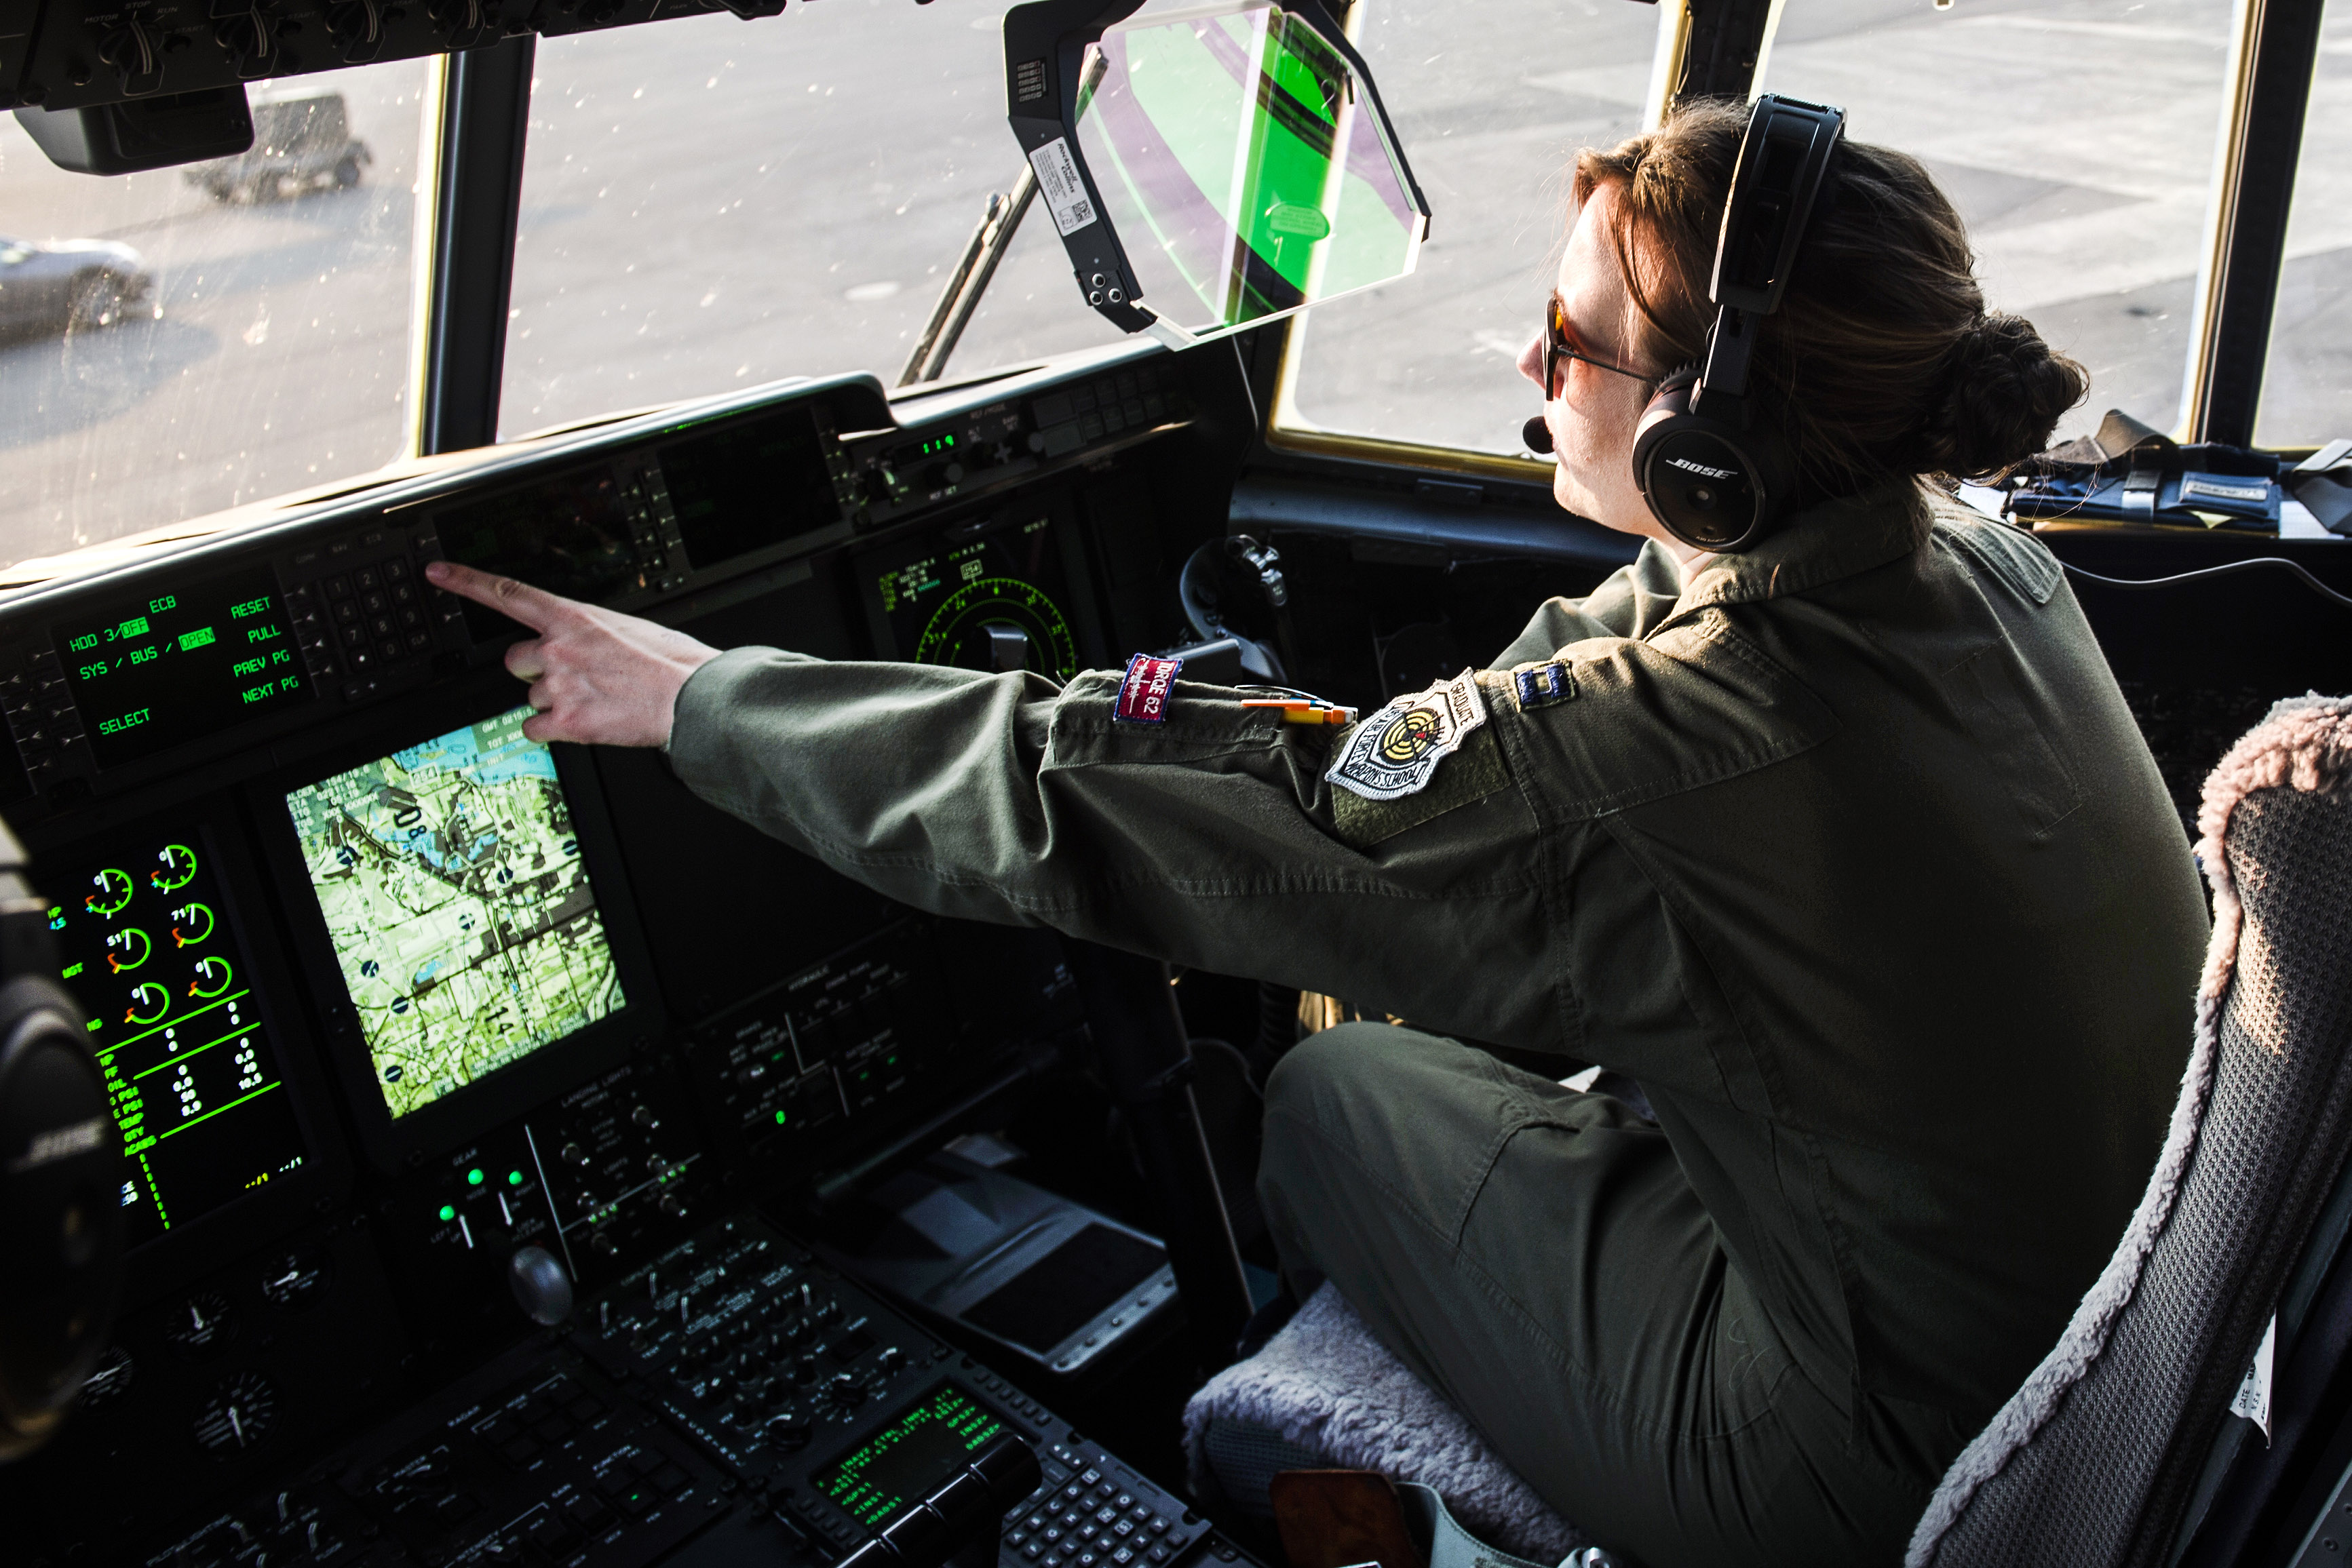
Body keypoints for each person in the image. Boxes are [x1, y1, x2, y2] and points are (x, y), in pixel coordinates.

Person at [425, 100, 2209, 1568]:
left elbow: (1119, 815)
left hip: (1865, 1476)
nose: (1527, 358)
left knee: (1331, 1094)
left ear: (1712, 450)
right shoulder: (1969, 559)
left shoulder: (1682, 753)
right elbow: (1593, 678)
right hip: (2097, 1341)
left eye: (1571, 339)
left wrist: (709, 702)